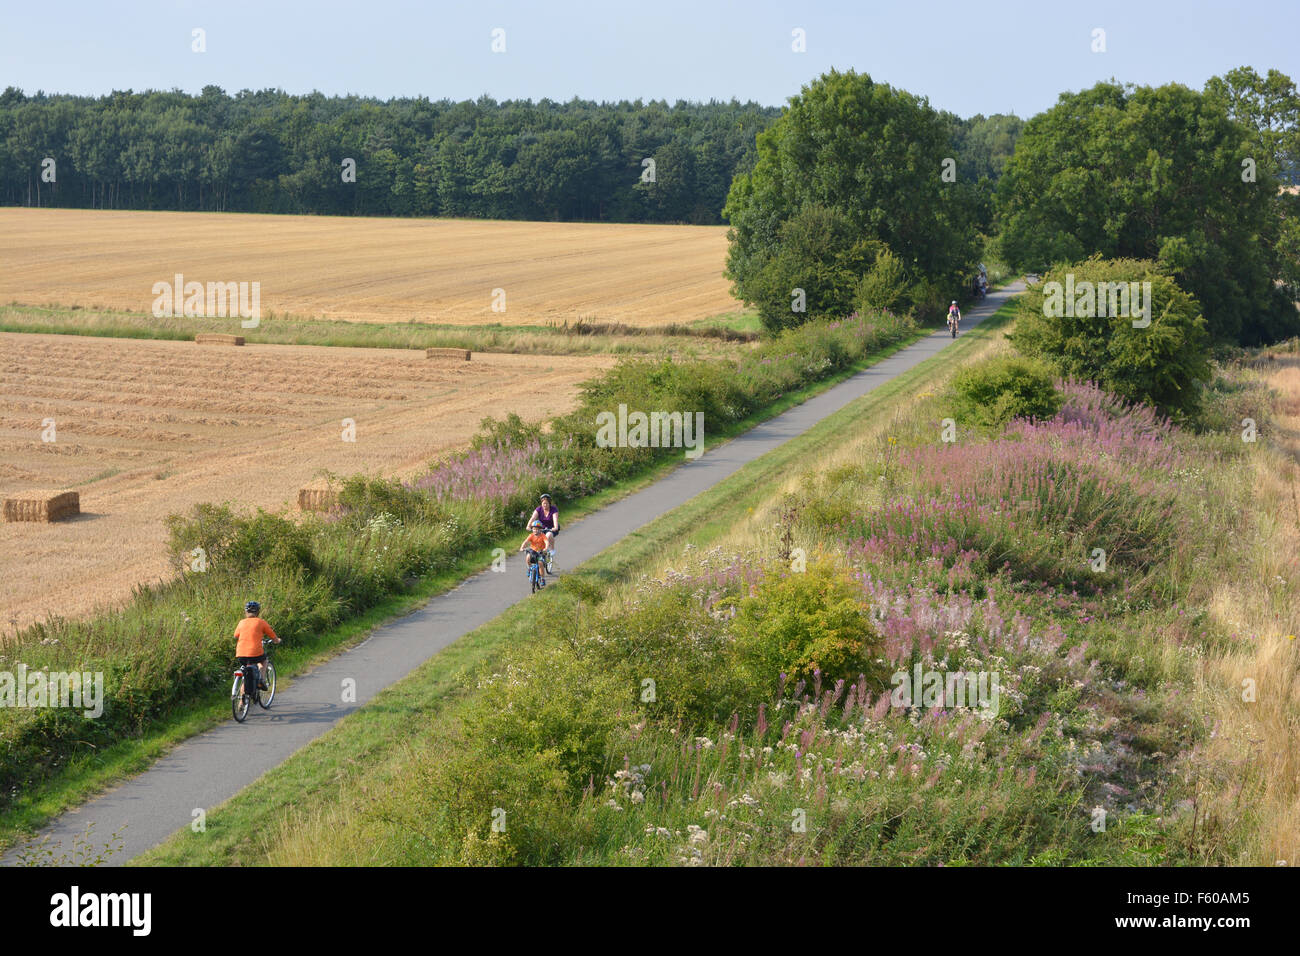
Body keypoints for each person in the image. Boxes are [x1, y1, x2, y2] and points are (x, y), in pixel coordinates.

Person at [234, 601, 280, 690]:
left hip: (240, 654)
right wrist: (277, 640)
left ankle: (241, 702)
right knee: (264, 661)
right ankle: (261, 680)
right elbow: (273, 636)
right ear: (258, 612)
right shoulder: (261, 622)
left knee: (245, 675)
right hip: (255, 653)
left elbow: (235, 635)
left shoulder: (241, 622)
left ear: (246, 612)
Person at [528, 493, 560, 558]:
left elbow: (555, 519)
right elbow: (533, 518)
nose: (545, 505)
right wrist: (528, 526)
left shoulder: (554, 509)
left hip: (551, 528)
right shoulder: (539, 509)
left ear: (549, 503)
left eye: (546, 503)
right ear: (541, 503)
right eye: (543, 503)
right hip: (541, 528)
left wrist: (555, 527)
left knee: (548, 535)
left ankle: (551, 549)